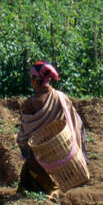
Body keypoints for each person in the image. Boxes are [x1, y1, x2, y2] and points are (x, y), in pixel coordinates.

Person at [16, 60, 89, 195]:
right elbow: (75, 122)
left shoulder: (30, 104)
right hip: (60, 149)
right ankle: (40, 190)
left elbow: (25, 135)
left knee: (30, 167)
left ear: (36, 80)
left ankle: (43, 190)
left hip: (40, 154)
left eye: (32, 79)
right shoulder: (62, 97)